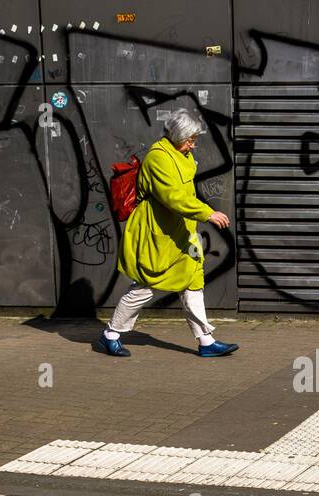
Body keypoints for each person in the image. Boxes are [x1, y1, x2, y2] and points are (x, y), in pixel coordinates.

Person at [95, 110, 238, 359]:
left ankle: (206, 340)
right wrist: (207, 213)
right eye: (189, 139)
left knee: (193, 281)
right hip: (157, 233)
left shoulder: (181, 154)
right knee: (147, 285)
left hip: (180, 232)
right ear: (176, 136)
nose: (193, 144)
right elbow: (174, 197)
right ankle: (111, 334)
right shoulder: (158, 158)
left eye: (194, 139)